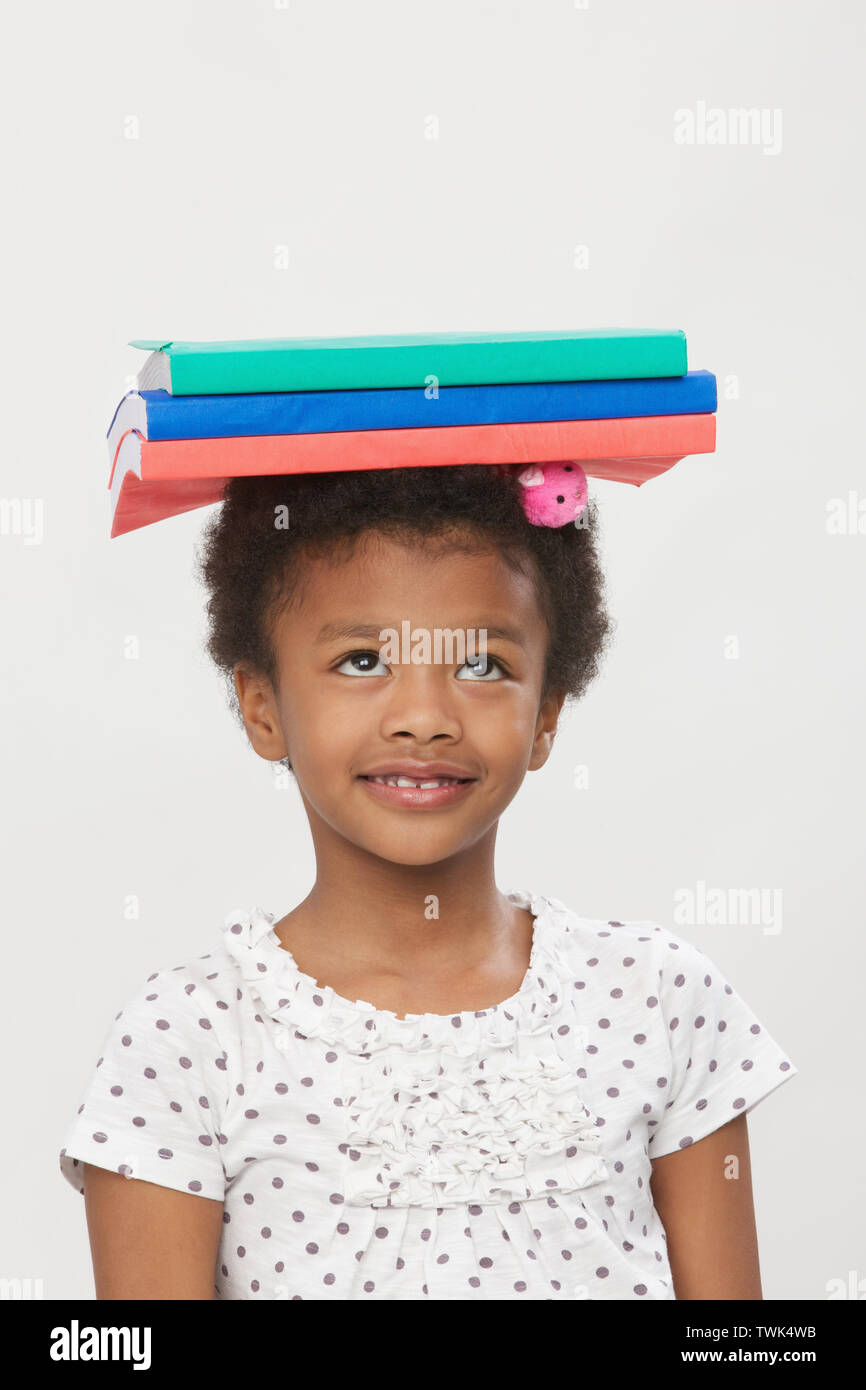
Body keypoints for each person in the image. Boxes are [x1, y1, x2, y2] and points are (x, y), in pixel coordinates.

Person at [59, 462, 797, 1299]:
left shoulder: (659, 998)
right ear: (263, 707)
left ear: (547, 714)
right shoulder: (188, 1040)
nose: (426, 716)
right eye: (363, 659)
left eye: (481, 667)